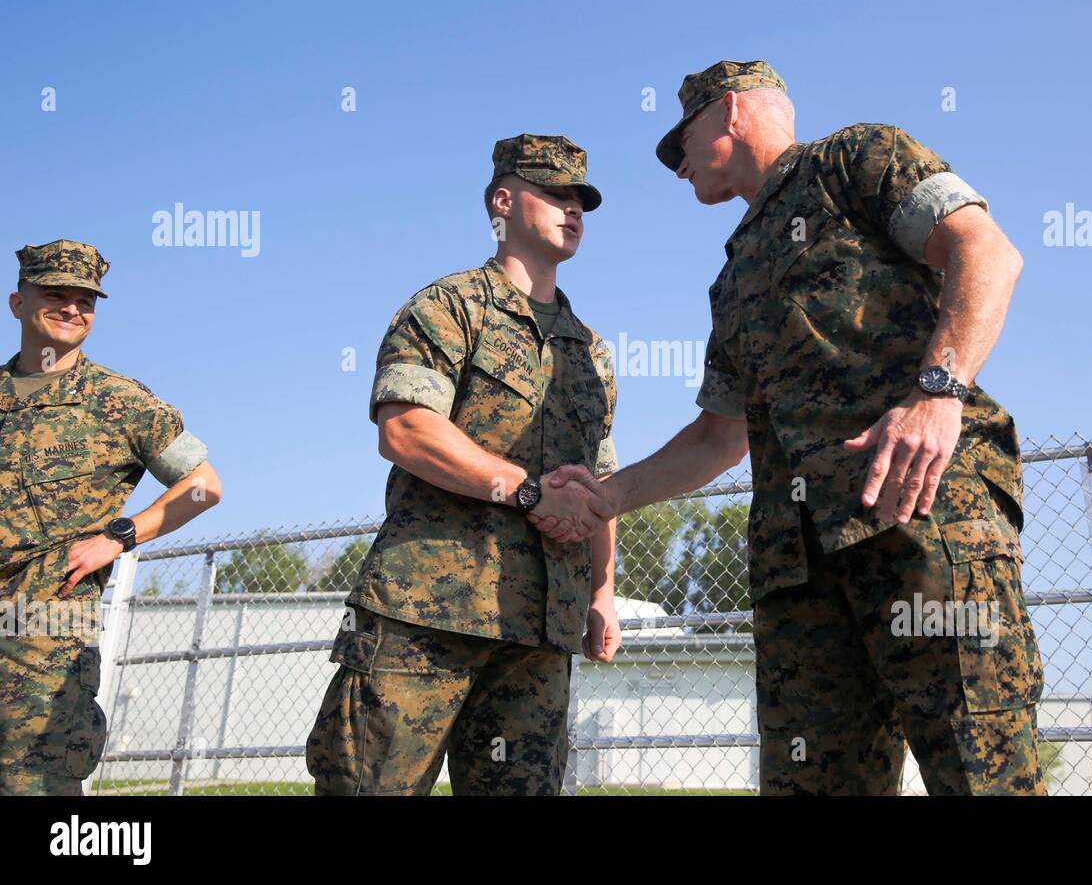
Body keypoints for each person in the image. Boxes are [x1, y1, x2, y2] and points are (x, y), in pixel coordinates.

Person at [536, 61, 1045, 795]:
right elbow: (719, 436)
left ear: (732, 112)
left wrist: (938, 391)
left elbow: (987, 251)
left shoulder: (856, 160)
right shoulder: (734, 272)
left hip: (921, 520)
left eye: (683, 143)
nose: (678, 167)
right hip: (800, 574)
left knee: (981, 769)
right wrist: (607, 498)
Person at [305, 134, 621, 795]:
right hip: (427, 613)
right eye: (554, 193)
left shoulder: (591, 351)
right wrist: (528, 492)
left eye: (581, 200)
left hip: (537, 632)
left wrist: (600, 594)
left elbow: (601, 486)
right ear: (503, 201)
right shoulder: (447, 307)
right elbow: (408, 430)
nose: (574, 210)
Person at [0, 239, 221, 795]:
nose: (73, 309)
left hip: (44, 637)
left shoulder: (118, 402)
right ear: (17, 303)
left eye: (85, 301)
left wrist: (118, 536)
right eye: (56, 294)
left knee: (32, 784)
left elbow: (203, 487)